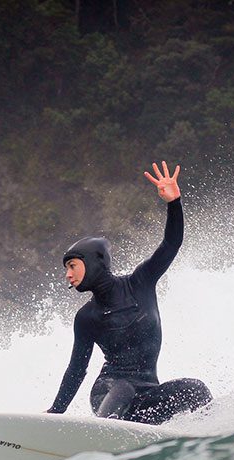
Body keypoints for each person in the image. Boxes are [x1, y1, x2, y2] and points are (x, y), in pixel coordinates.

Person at [45, 161, 212, 425]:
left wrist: (174, 203)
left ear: (94, 262)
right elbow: (77, 368)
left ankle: (202, 441)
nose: (68, 274)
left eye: (72, 266)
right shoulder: (86, 317)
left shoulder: (141, 283)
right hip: (108, 394)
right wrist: (56, 412)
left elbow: (171, 244)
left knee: (195, 389)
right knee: (123, 388)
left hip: (148, 395)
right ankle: (103, 437)